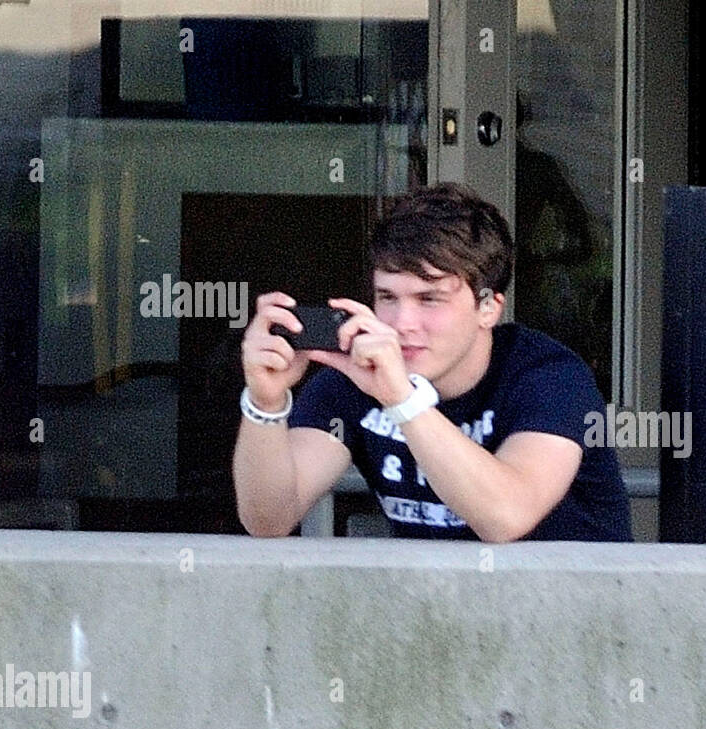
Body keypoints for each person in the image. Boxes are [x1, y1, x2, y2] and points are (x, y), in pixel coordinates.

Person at [232, 182, 633, 543]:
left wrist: (402, 400)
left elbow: (507, 516)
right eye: (387, 298)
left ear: (488, 309)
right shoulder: (356, 379)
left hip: (578, 612)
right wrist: (265, 404)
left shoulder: (548, 376)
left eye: (430, 299)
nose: (403, 324)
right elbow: (269, 519)